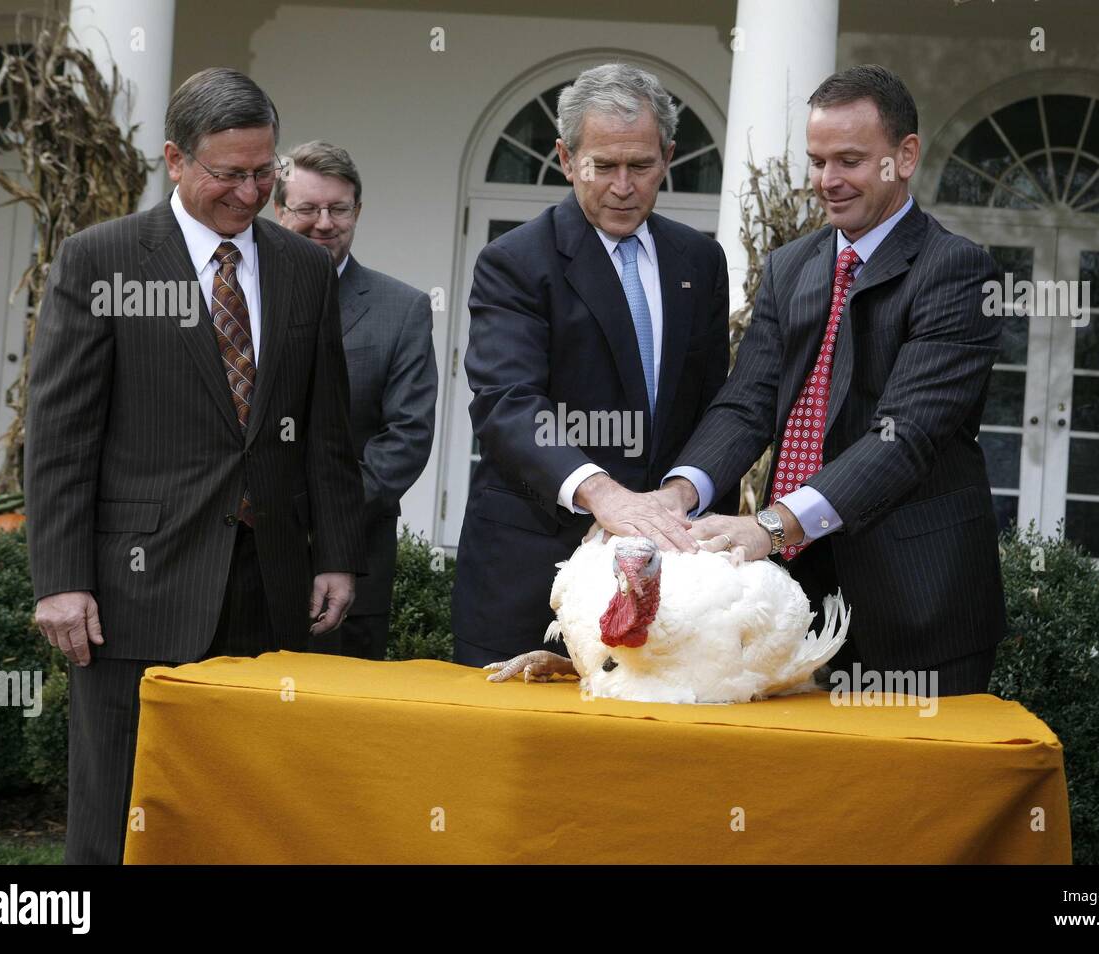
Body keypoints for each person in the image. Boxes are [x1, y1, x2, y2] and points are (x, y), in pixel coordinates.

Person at [569, 65, 1007, 696]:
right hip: (793, 604)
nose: (828, 181)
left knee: (907, 794)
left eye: (850, 160)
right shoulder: (791, 267)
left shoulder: (958, 272)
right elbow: (747, 404)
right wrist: (677, 495)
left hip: (918, 605)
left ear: (904, 156)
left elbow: (905, 437)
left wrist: (772, 526)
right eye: (818, 160)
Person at [25, 68, 365, 864]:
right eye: (229, 174)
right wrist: (61, 578)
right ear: (175, 160)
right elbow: (61, 436)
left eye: (263, 172)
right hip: (130, 592)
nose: (249, 193)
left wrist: (338, 556)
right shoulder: (100, 260)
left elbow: (327, 433)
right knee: (116, 817)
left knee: (241, 820)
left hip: (269, 589)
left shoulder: (305, 270)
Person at [451, 62, 735, 667]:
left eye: (641, 165)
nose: (623, 186)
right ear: (565, 157)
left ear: (669, 157)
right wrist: (604, 495)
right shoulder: (515, 262)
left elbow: (718, 407)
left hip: (676, 573)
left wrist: (690, 503)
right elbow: (508, 403)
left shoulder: (700, 260)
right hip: (530, 572)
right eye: (603, 166)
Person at [276, 141, 437, 661]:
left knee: (332, 735)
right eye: (307, 209)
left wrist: (323, 517)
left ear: (357, 212)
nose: (324, 223)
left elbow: (407, 437)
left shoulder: (403, 309)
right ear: (279, 211)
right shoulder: (238, 299)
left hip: (350, 562)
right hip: (234, 561)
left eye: (338, 209)